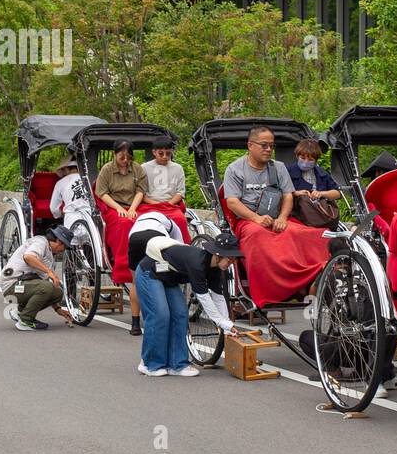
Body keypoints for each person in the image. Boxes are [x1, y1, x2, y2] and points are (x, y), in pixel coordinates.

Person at [221, 126, 330, 307]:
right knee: (259, 237)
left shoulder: (278, 167)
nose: (269, 150)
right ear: (250, 145)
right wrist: (256, 219)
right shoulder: (235, 169)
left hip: (278, 217)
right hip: (249, 221)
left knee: (313, 234)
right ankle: (275, 291)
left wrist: (282, 218)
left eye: (271, 146)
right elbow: (232, 202)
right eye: (264, 145)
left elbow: (288, 195)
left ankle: (314, 277)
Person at [133, 232, 245, 377]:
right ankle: (149, 364)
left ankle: (177, 364)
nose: (232, 263)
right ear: (218, 255)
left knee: (180, 314)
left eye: (234, 259)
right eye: (230, 259)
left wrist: (227, 325)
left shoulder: (216, 268)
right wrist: (224, 324)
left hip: (169, 277)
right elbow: (204, 299)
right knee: (160, 314)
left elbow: (218, 298)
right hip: (149, 273)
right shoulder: (197, 263)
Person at [95, 141, 149, 334]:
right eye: (121, 157)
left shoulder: (137, 169)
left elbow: (141, 190)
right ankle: (123, 265)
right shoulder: (107, 170)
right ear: (114, 155)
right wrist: (119, 209)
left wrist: (132, 209)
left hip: (134, 205)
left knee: (146, 222)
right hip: (113, 206)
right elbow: (102, 193)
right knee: (123, 223)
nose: (125, 161)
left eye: (128, 157)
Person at [0, 225, 75, 331]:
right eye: (65, 247)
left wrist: (58, 309)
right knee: (47, 287)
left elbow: (45, 284)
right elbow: (28, 257)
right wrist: (50, 272)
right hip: (12, 285)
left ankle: (20, 312)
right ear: (59, 241)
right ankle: (25, 321)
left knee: (57, 292)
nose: (63, 250)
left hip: (23, 284)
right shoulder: (41, 242)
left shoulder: (49, 255)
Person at [48, 159, 91, 231]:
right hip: (89, 219)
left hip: (71, 219)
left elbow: (53, 208)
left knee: (72, 241)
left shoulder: (60, 183)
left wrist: (59, 215)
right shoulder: (88, 179)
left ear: (66, 169)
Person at [143, 140, 186, 207]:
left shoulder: (178, 168)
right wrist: (157, 205)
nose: (164, 157)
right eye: (161, 154)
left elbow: (180, 192)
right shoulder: (144, 167)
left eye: (168, 153)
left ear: (172, 152)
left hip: (172, 205)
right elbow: (140, 193)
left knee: (180, 218)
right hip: (149, 205)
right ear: (154, 152)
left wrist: (169, 204)